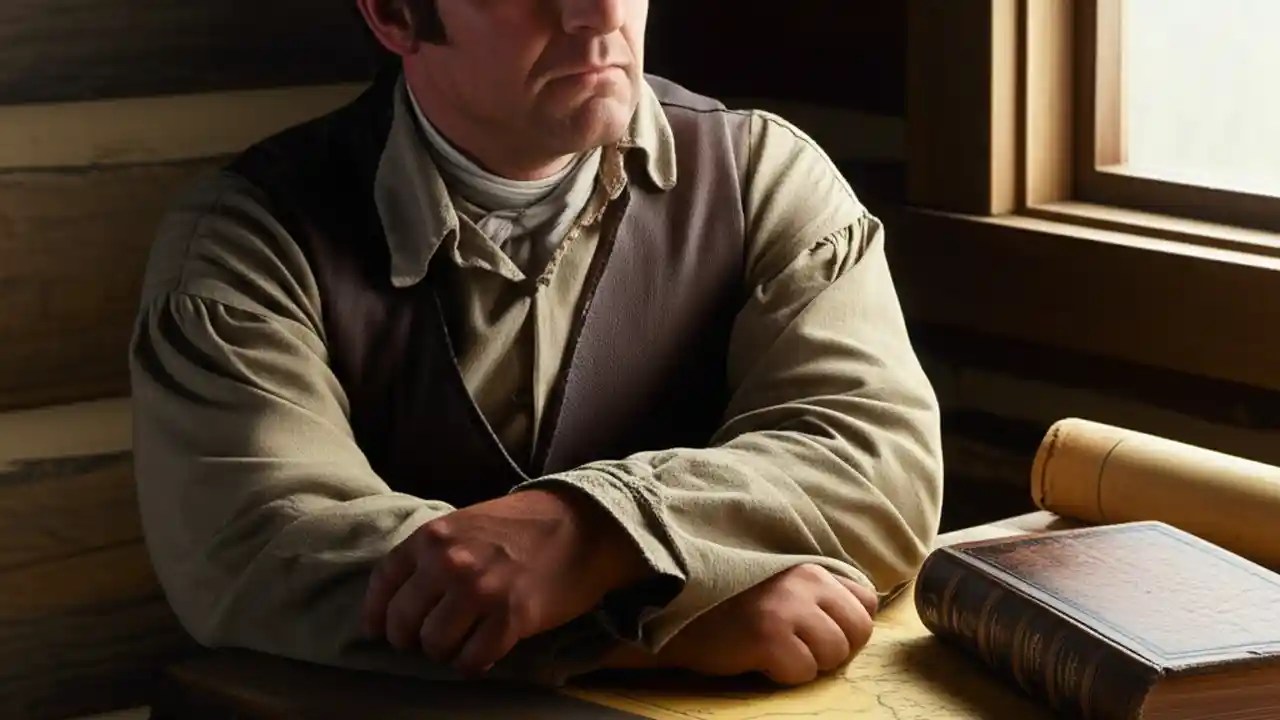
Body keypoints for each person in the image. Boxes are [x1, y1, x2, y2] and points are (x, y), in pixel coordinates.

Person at [130, 0, 943, 689]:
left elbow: (875, 458)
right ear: (391, 12)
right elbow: (261, 556)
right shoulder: (248, 241)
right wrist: (656, 626)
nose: (595, 16)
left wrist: (590, 533)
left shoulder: (763, 178)